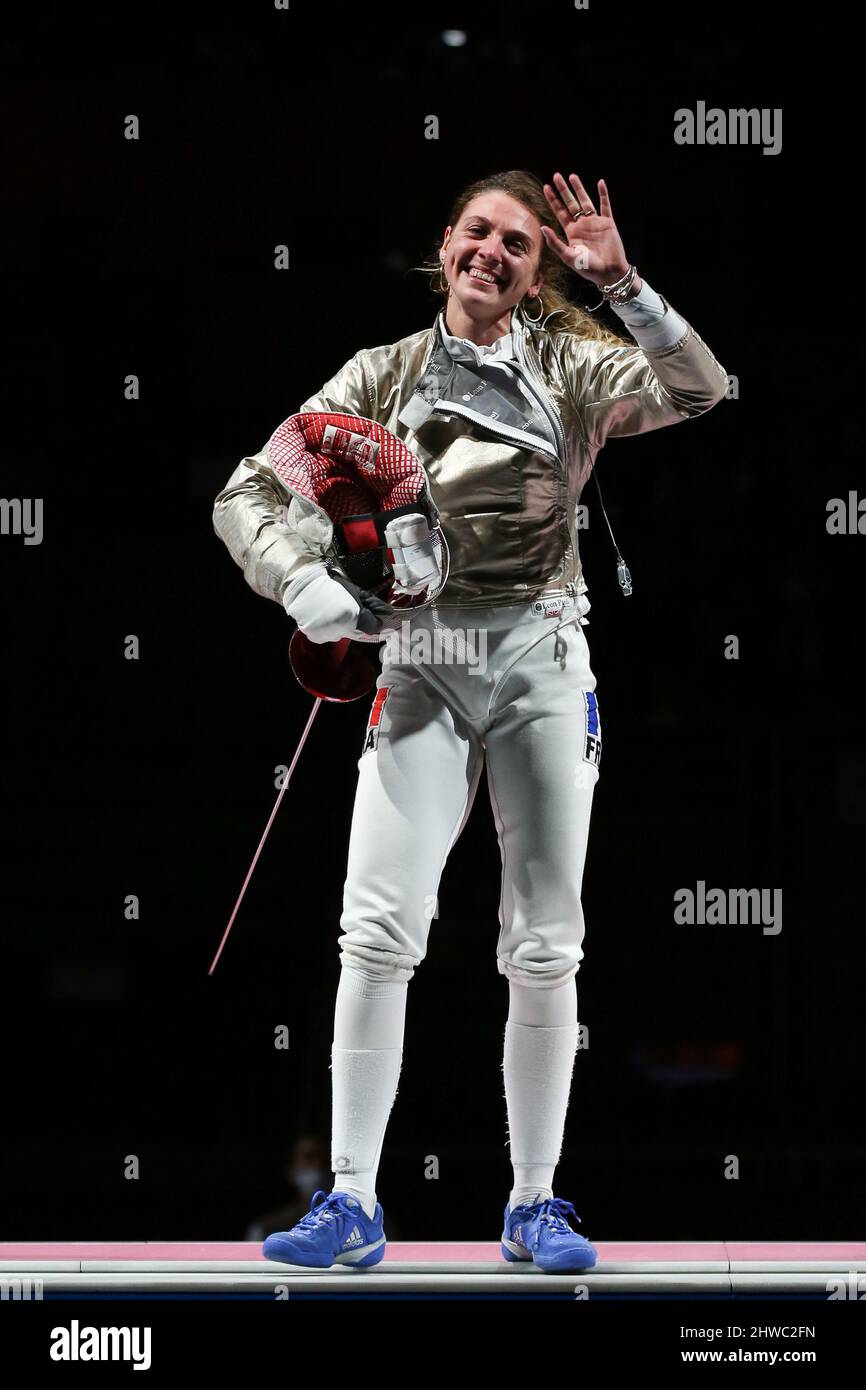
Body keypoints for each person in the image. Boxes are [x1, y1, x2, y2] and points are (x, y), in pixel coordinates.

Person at [212, 169, 728, 1273]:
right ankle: (350, 1200)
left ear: (539, 273)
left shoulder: (573, 366)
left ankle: (533, 1203)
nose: (493, 252)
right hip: (426, 660)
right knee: (378, 929)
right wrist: (303, 581)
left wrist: (622, 283)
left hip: (541, 653)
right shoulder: (380, 375)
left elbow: (700, 387)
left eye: (519, 245)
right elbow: (248, 492)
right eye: (478, 232)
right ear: (444, 242)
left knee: (544, 943)